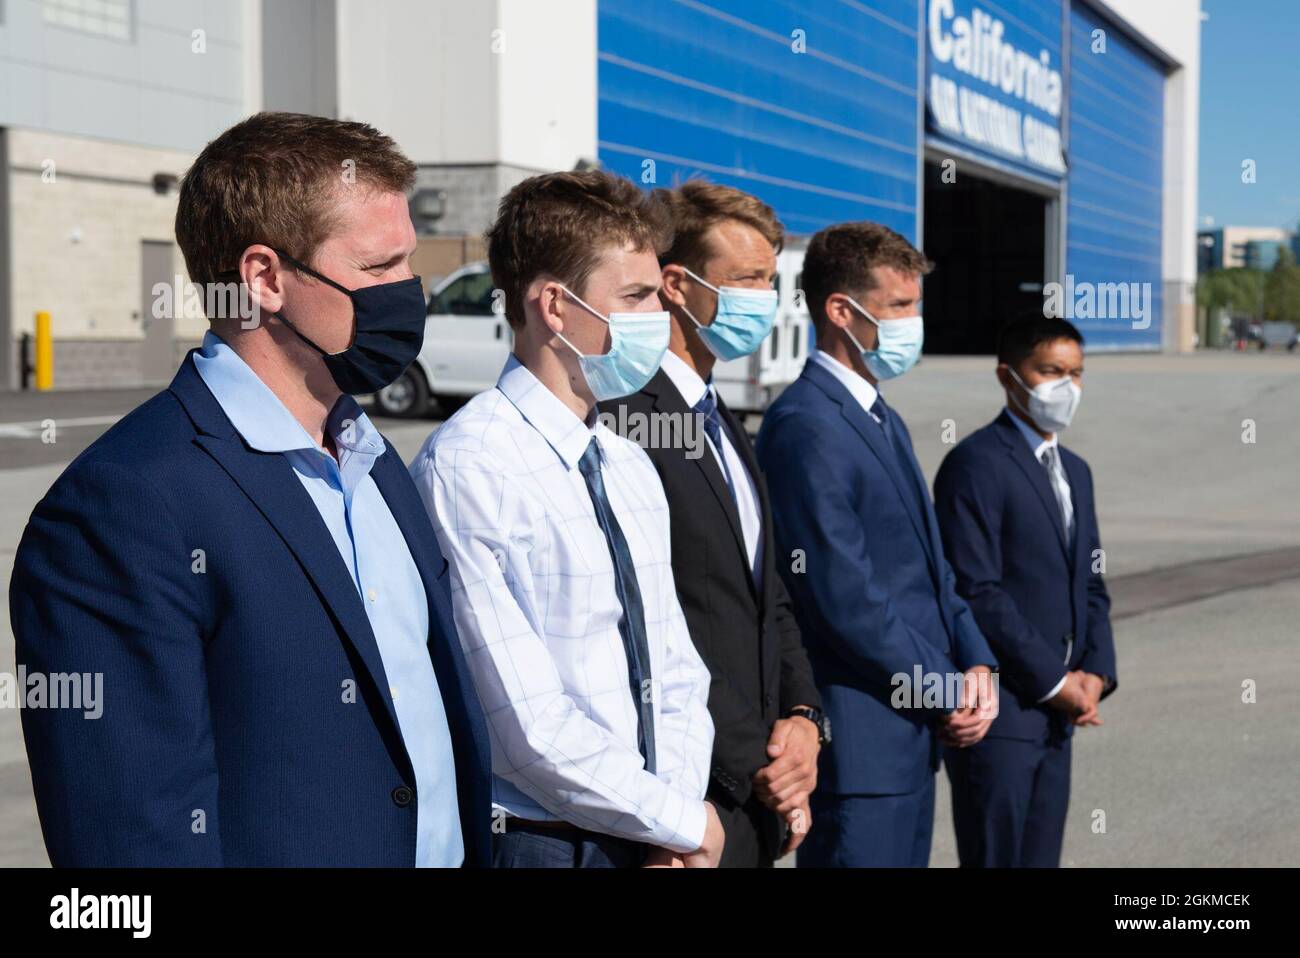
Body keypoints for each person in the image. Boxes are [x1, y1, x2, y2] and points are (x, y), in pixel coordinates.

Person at [9, 112, 492, 866]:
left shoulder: (373, 457)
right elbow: (132, 838)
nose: (411, 293)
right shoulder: (122, 504)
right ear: (264, 279)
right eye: (379, 268)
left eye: (409, 264)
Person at [410, 170, 722, 868]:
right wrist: (679, 823)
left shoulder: (627, 464)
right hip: (547, 846)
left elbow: (676, 670)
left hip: (649, 835)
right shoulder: (469, 466)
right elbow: (525, 726)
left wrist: (668, 825)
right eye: (636, 297)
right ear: (555, 305)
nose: (659, 319)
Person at [756, 221, 998, 867]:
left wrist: (977, 664)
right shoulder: (806, 426)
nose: (911, 323)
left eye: (915, 305)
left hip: (908, 739)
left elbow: (930, 567)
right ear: (841, 309)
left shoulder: (877, 416)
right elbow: (844, 596)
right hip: (861, 749)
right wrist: (944, 690)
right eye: (898, 306)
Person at [598, 181, 825, 867]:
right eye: (747, 279)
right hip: (693, 794)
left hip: (761, 780)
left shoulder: (721, 418)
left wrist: (805, 721)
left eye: (770, 279)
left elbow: (769, 598)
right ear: (676, 284)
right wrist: (759, 759)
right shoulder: (627, 417)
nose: (766, 299)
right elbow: (656, 619)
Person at [933, 314, 1118, 867]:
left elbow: (1091, 580)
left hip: (1058, 716)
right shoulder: (976, 464)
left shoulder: (1075, 471)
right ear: (1008, 376)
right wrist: (1054, 681)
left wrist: (1095, 673)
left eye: (1077, 372)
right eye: (1050, 370)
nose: (1066, 385)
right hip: (1005, 715)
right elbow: (977, 590)